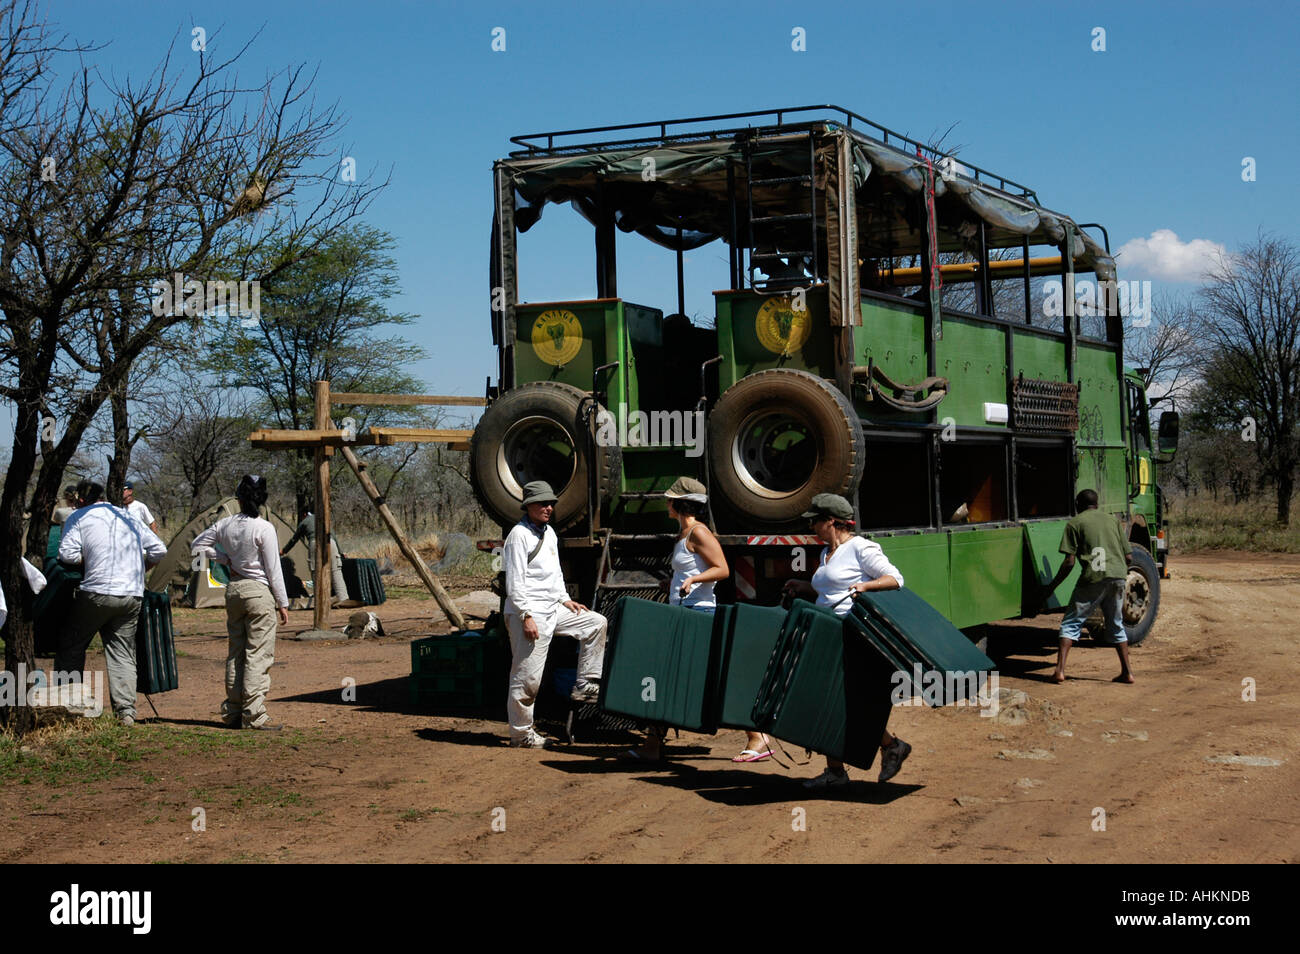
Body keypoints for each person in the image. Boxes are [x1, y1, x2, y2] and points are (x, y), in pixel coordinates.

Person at [781, 493, 909, 789]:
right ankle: (847, 765)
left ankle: (885, 748)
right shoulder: (827, 553)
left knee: (846, 699)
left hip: (851, 635)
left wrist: (866, 585)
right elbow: (830, 594)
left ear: (832, 522)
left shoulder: (861, 548)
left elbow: (895, 579)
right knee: (830, 698)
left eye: (815, 521)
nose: (812, 526)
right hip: (826, 633)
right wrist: (803, 587)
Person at [623, 477, 744, 763]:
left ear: (679, 503)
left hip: (698, 614)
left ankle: (756, 735)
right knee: (669, 676)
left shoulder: (699, 533)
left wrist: (693, 579)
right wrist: (675, 583)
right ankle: (652, 745)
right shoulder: (684, 533)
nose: (666, 503)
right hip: (682, 610)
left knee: (696, 678)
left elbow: (722, 569)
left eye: (670, 499)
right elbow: (691, 568)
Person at [503, 480, 607, 748]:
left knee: (595, 623)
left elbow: (554, 572)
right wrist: (525, 615)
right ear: (528, 506)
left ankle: (586, 682)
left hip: (553, 609)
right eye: (543, 503)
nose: (549, 508)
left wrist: (565, 599)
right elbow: (514, 581)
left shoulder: (549, 532)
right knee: (527, 679)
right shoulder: (518, 535)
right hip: (529, 612)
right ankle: (521, 734)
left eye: (551, 503)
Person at [56, 478, 167, 726]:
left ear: (81, 500)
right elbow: (160, 550)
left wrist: (91, 561)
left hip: (95, 592)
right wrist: (141, 569)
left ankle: (70, 707)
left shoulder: (79, 516)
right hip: (131, 595)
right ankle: (126, 712)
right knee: (122, 653)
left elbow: (67, 554)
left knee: (71, 647)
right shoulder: (126, 515)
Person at [191, 474, 291, 730]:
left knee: (236, 652)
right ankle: (254, 715)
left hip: (233, 591)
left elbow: (196, 545)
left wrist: (224, 559)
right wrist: (282, 601)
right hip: (258, 593)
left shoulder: (225, 524)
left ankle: (233, 712)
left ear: (238, 496)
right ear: (262, 498)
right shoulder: (264, 527)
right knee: (258, 654)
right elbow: (273, 568)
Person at [1043, 488, 1135, 684]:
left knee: (1071, 623)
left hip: (1092, 578)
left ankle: (1059, 671)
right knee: (1116, 624)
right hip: (1118, 576)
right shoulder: (1112, 520)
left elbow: (1069, 562)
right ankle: (1127, 673)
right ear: (1097, 504)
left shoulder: (1075, 523)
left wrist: (1052, 586)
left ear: (1077, 505)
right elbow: (1128, 556)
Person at [281, 506, 349, 605]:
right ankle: (343, 599)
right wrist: (341, 552)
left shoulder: (304, 522)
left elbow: (294, 540)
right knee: (336, 571)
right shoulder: (323, 519)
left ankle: (320, 601)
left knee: (316, 573)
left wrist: (284, 550)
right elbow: (333, 535)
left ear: (304, 514)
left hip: (315, 543)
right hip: (330, 542)